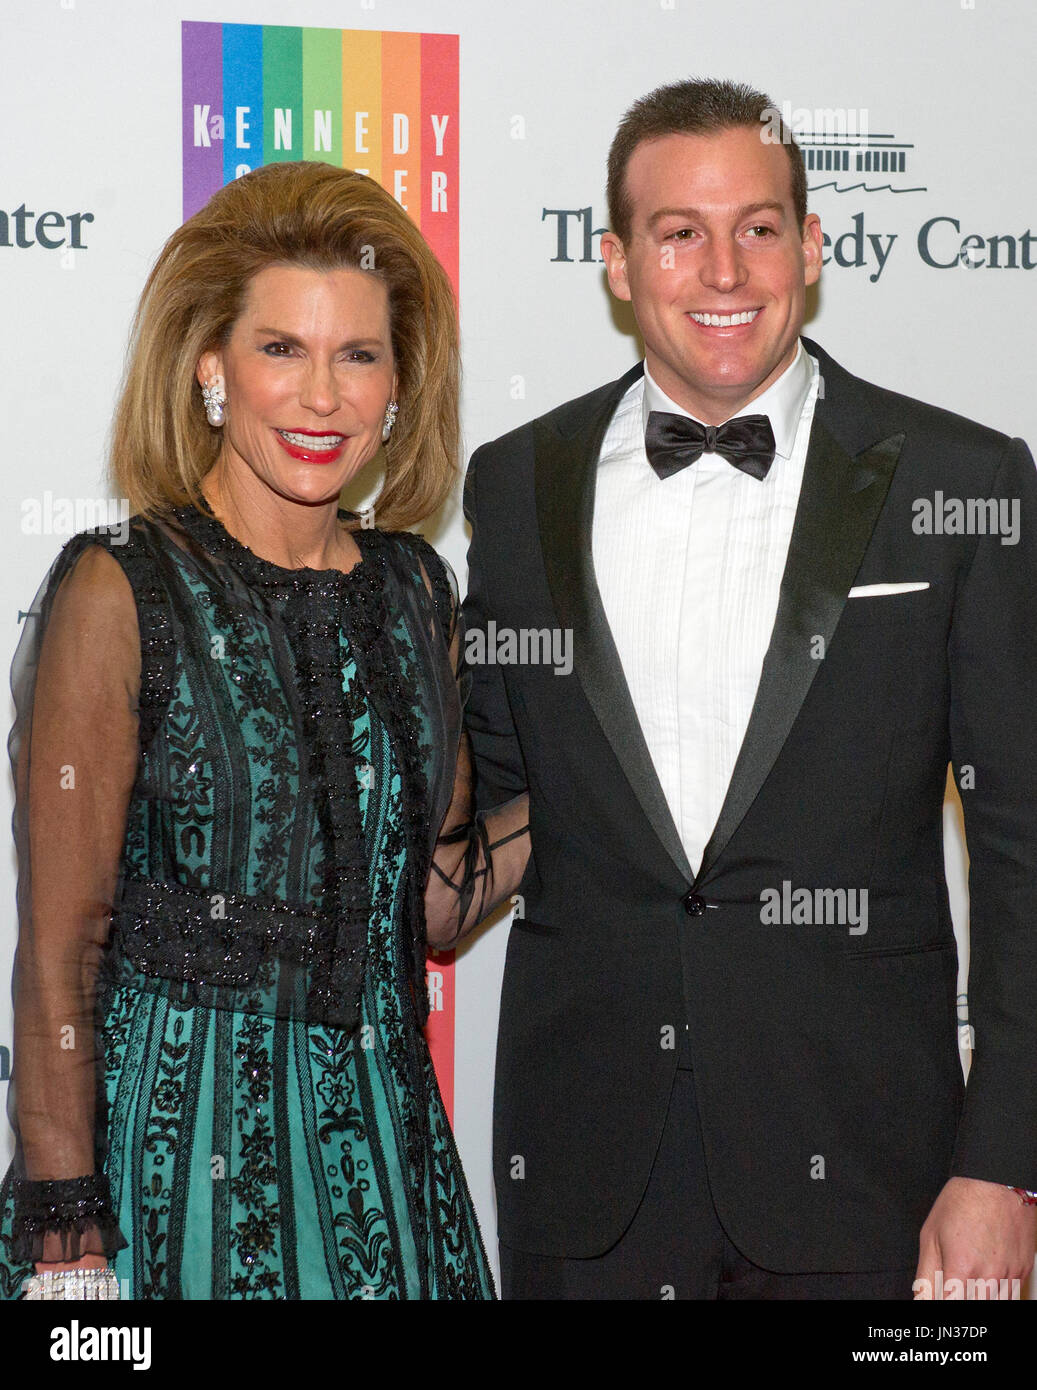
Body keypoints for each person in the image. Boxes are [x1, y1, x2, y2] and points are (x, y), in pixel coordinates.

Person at [461, 78, 1037, 1299]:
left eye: (758, 227)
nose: (723, 270)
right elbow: (492, 796)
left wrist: (1003, 1163)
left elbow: (1020, 840)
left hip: (873, 1164)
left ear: (813, 247)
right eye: (678, 232)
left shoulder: (960, 481)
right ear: (615, 262)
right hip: (586, 1170)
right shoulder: (513, 485)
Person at [0, 159, 526, 1300]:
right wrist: (68, 1235)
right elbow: (58, 951)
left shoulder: (413, 590)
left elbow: (433, 900)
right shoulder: (120, 587)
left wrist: (625, 773)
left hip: (383, 1162)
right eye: (281, 348)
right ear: (208, 368)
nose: (321, 396)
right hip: (169, 1168)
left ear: (398, 386)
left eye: (358, 354)